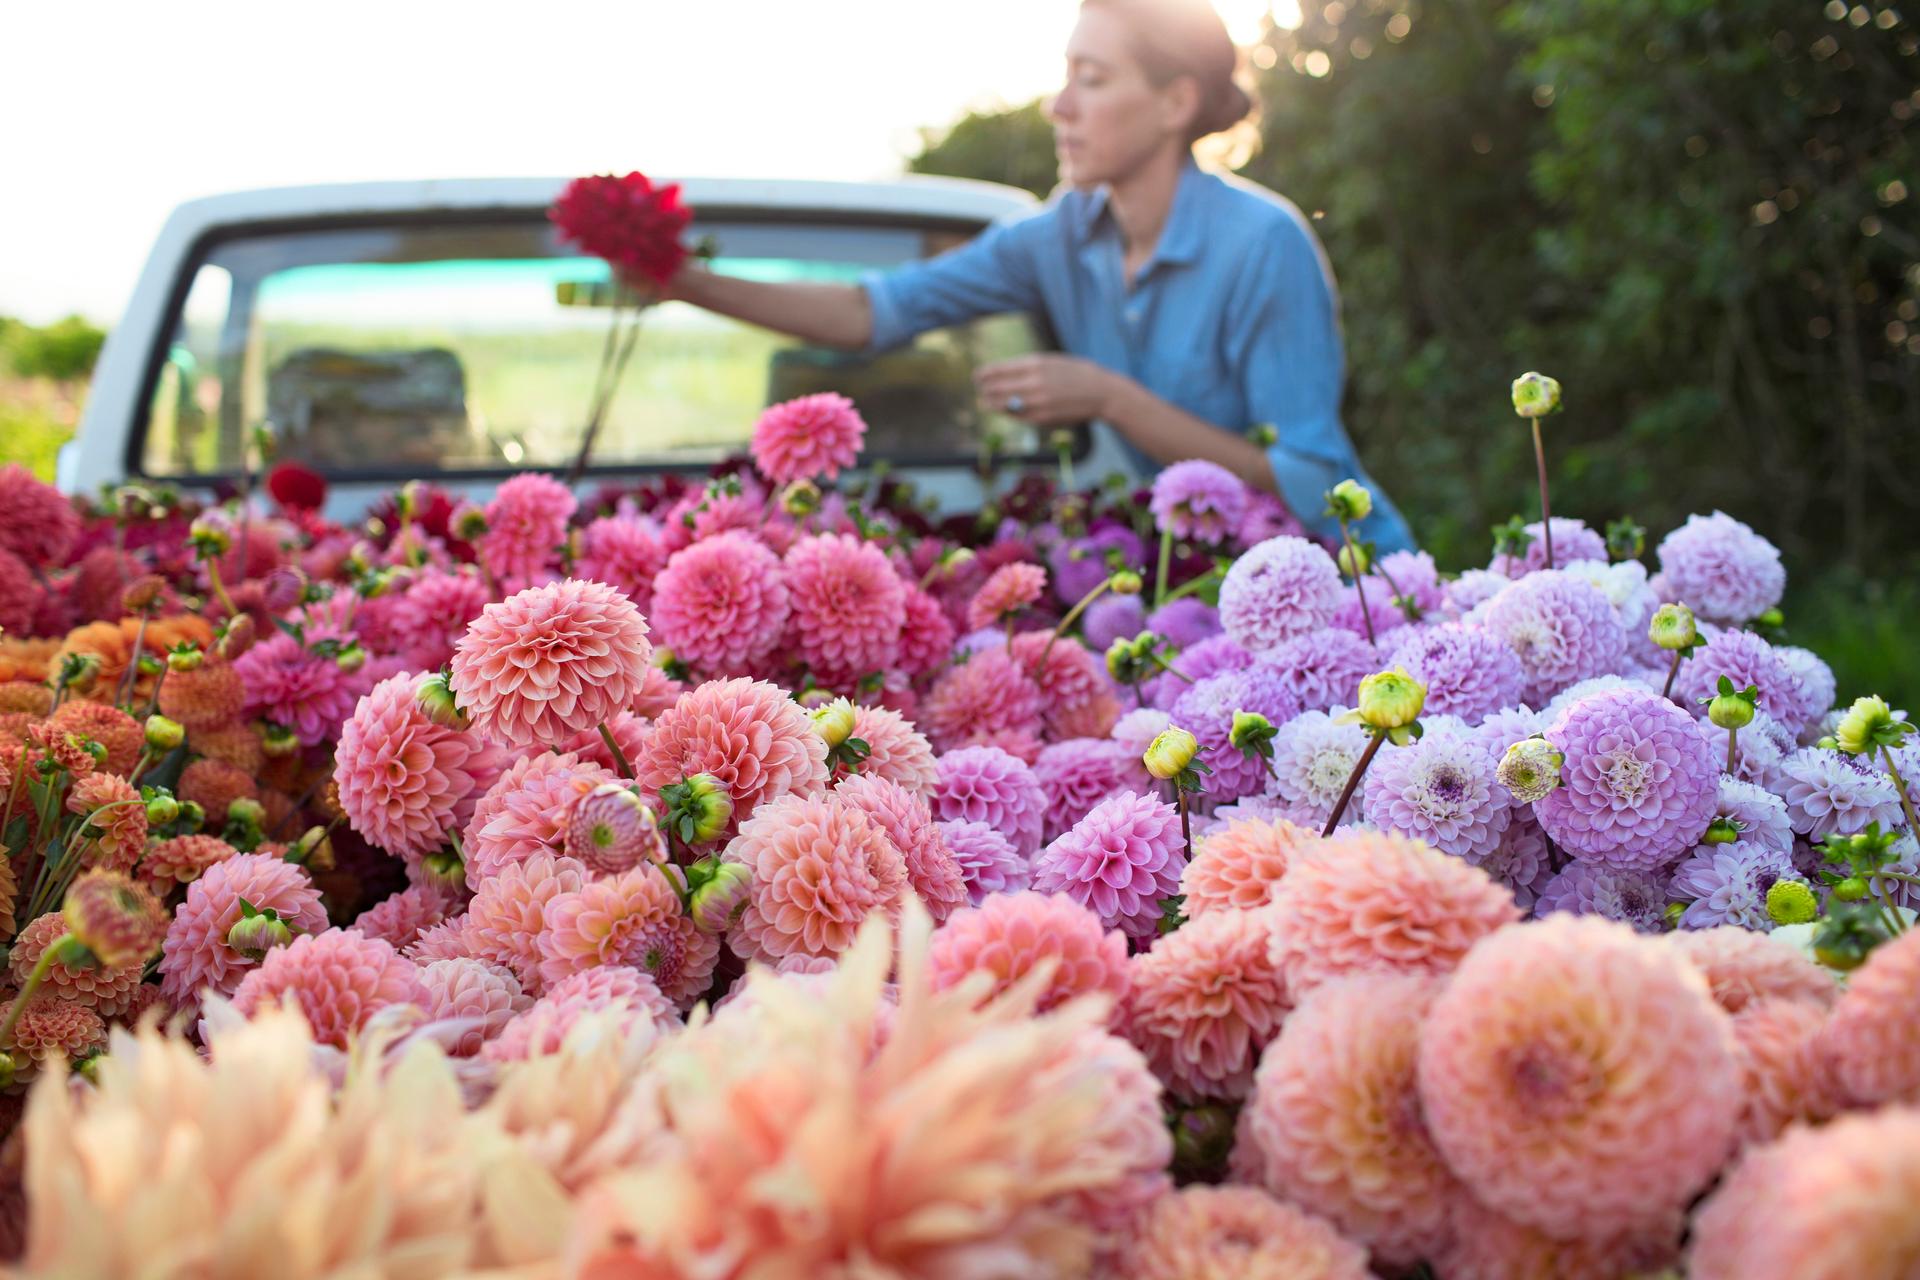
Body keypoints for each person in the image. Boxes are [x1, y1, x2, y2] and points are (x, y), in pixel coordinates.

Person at [665, 0, 1414, 552]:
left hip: (1352, 582)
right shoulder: (1055, 236)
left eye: (1092, 79)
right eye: (1065, 77)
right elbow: (872, 312)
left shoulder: (1263, 243)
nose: (1060, 107)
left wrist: (1110, 399)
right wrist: (682, 281)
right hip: (1202, 574)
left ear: (1176, 102)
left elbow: (1311, 482)